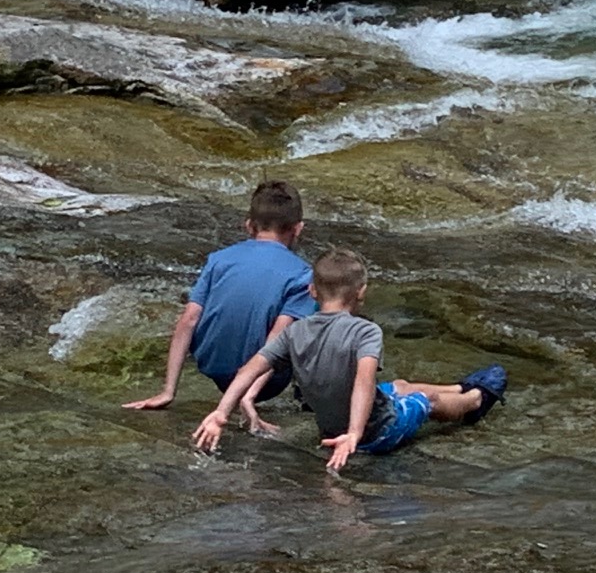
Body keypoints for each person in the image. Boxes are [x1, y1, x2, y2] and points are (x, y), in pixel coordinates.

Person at [193, 247, 507, 473]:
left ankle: (460, 385)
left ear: (312, 290)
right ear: (362, 292)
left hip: (332, 433)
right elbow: (363, 383)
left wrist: (221, 412)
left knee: (397, 386)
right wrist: (356, 433)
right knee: (428, 400)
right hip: (377, 432)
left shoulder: (294, 332)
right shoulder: (365, 331)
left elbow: (250, 368)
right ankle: (475, 399)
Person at [123, 180, 315, 436]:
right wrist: (248, 396)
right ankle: (310, 399)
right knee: (327, 310)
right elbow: (276, 339)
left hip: (216, 368)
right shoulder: (303, 274)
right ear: (298, 229)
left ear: (248, 225)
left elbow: (188, 320)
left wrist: (168, 391)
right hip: (266, 383)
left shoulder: (219, 260)